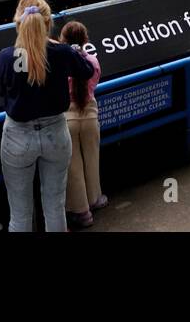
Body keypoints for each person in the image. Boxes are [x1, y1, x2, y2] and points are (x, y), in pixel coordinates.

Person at [0, 0, 95, 233]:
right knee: (54, 207)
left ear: (18, 23)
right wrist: (56, 47)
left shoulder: (7, 56)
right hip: (55, 133)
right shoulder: (60, 52)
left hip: (18, 136)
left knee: (19, 214)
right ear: (48, 23)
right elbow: (87, 69)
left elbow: (1, 90)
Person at [60, 21, 106, 230]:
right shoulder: (93, 61)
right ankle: (94, 199)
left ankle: (82, 212)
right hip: (89, 115)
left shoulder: (60, 65)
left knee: (74, 168)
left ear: (63, 39)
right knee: (91, 161)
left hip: (68, 118)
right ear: (85, 40)